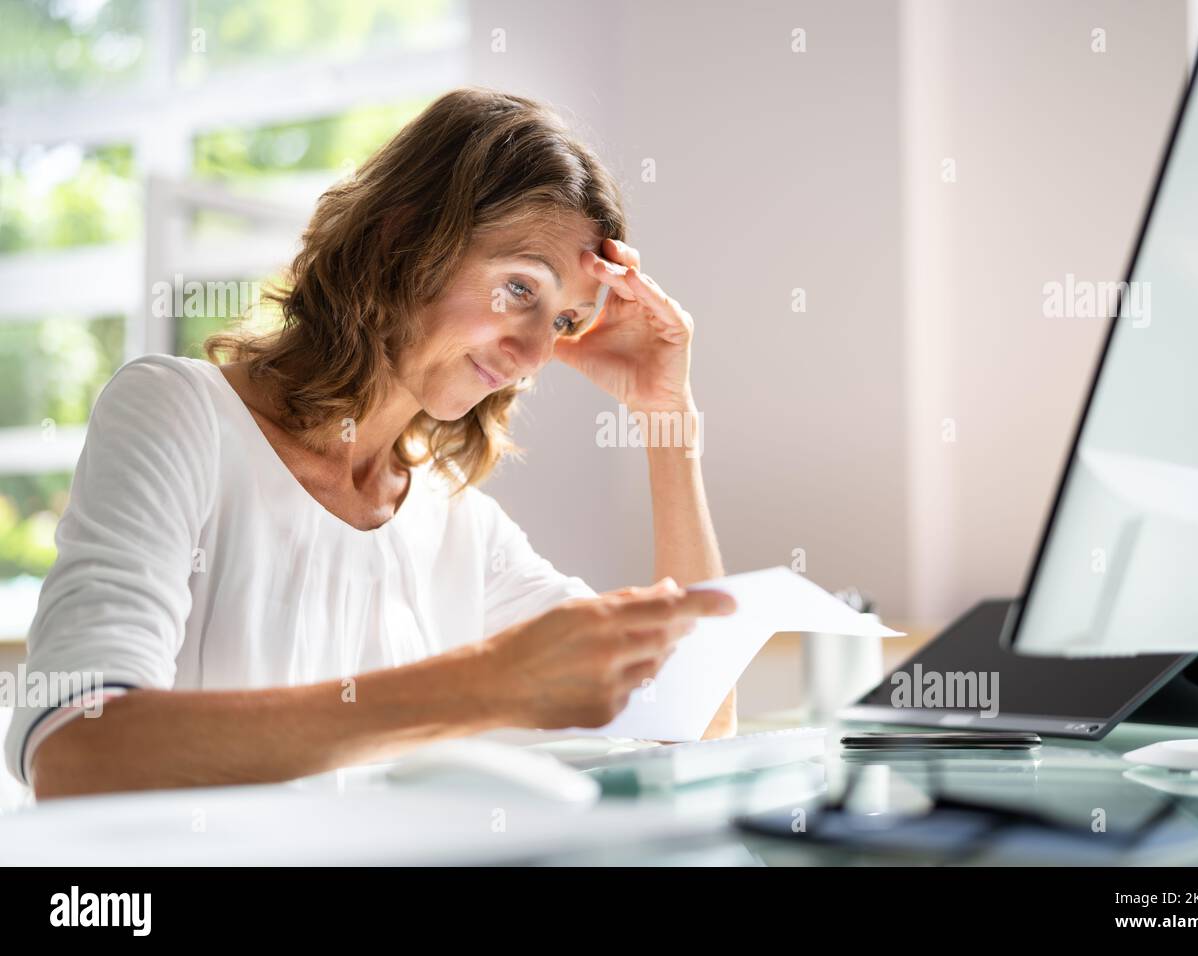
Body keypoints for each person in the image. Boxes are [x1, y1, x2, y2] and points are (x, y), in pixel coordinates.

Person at [6, 87, 737, 799]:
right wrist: (483, 686)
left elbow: (696, 723)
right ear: (401, 236)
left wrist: (667, 416)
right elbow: (77, 753)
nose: (533, 354)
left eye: (564, 322)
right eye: (520, 289)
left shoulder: (457, 524)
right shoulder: (178, 414)